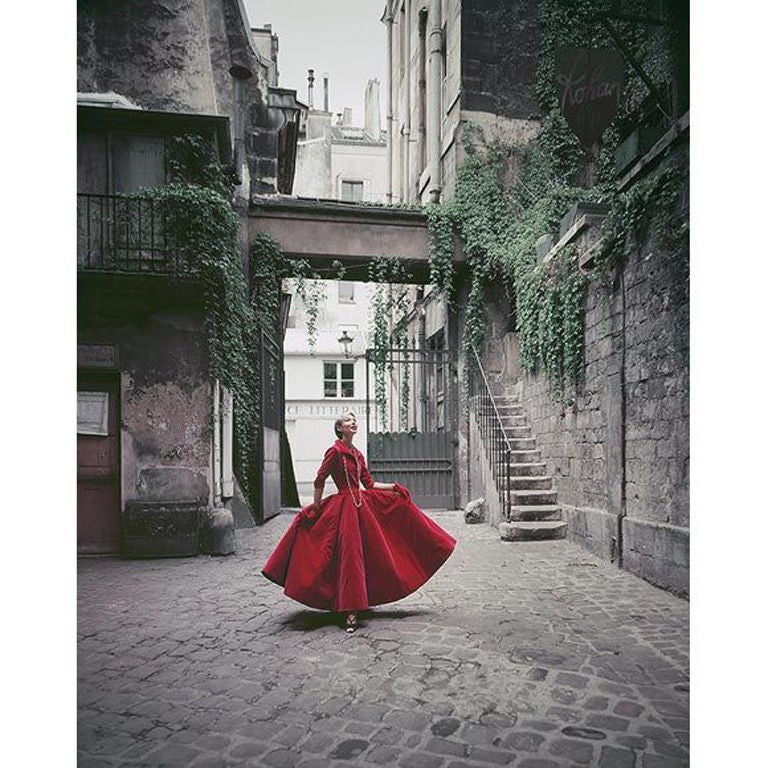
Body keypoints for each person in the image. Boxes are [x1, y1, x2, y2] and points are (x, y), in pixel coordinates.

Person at [262, 412, 456, 633]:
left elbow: (369, 484)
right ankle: (350, 610)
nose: (353, 422)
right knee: (349, 557)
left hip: (361, 508)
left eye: (354, 420)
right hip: (343, 509)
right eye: (347, 421)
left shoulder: (358, 453)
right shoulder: (334, 452)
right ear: (340, 429)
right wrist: (316, 507)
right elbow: (319, 479)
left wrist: (393, 487)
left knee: (368, 555)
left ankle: (360, 599)